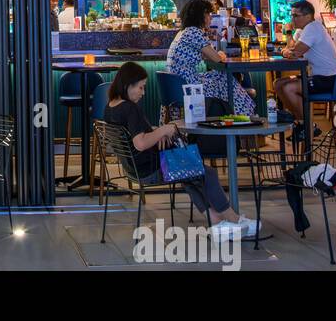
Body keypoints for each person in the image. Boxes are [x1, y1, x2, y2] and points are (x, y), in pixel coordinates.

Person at [103, 61, 257, 237]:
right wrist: (164, 129)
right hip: (152, 168)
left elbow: (135, 137)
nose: (143, 93)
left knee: (190, 175)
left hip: (135, 168)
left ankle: (216, 222)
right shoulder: (129, 108)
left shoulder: (110, 108)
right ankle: (234, 220)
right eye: (141, 87)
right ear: (127, 85)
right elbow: (140, 143)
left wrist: (155, 133)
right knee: (206, 173)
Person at [165, 0, 255, 116]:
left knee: (219, 76)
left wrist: (216, 55)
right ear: (200, 15)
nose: (211, 18)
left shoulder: (182, 32)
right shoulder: (193, 32)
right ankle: (245, 115)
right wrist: (220, 55)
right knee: (224, 78)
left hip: (177, 85)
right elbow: (216, 58)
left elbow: (207, 55)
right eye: (208, 14)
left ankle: (242, 114)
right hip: (188, 86)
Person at [274, 1, 336, 143]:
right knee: (278, 83)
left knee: (288, 88)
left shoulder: (313, 28)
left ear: (308, 16)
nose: (292, 19)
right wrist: (288, 35)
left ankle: (307, 126)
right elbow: (292, 48)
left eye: (296, 15)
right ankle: (304, 124)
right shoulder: (304, 30)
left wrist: (286, 51)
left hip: (330, 79)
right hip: (322, 77)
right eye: (291, 15)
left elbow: (294, 53)